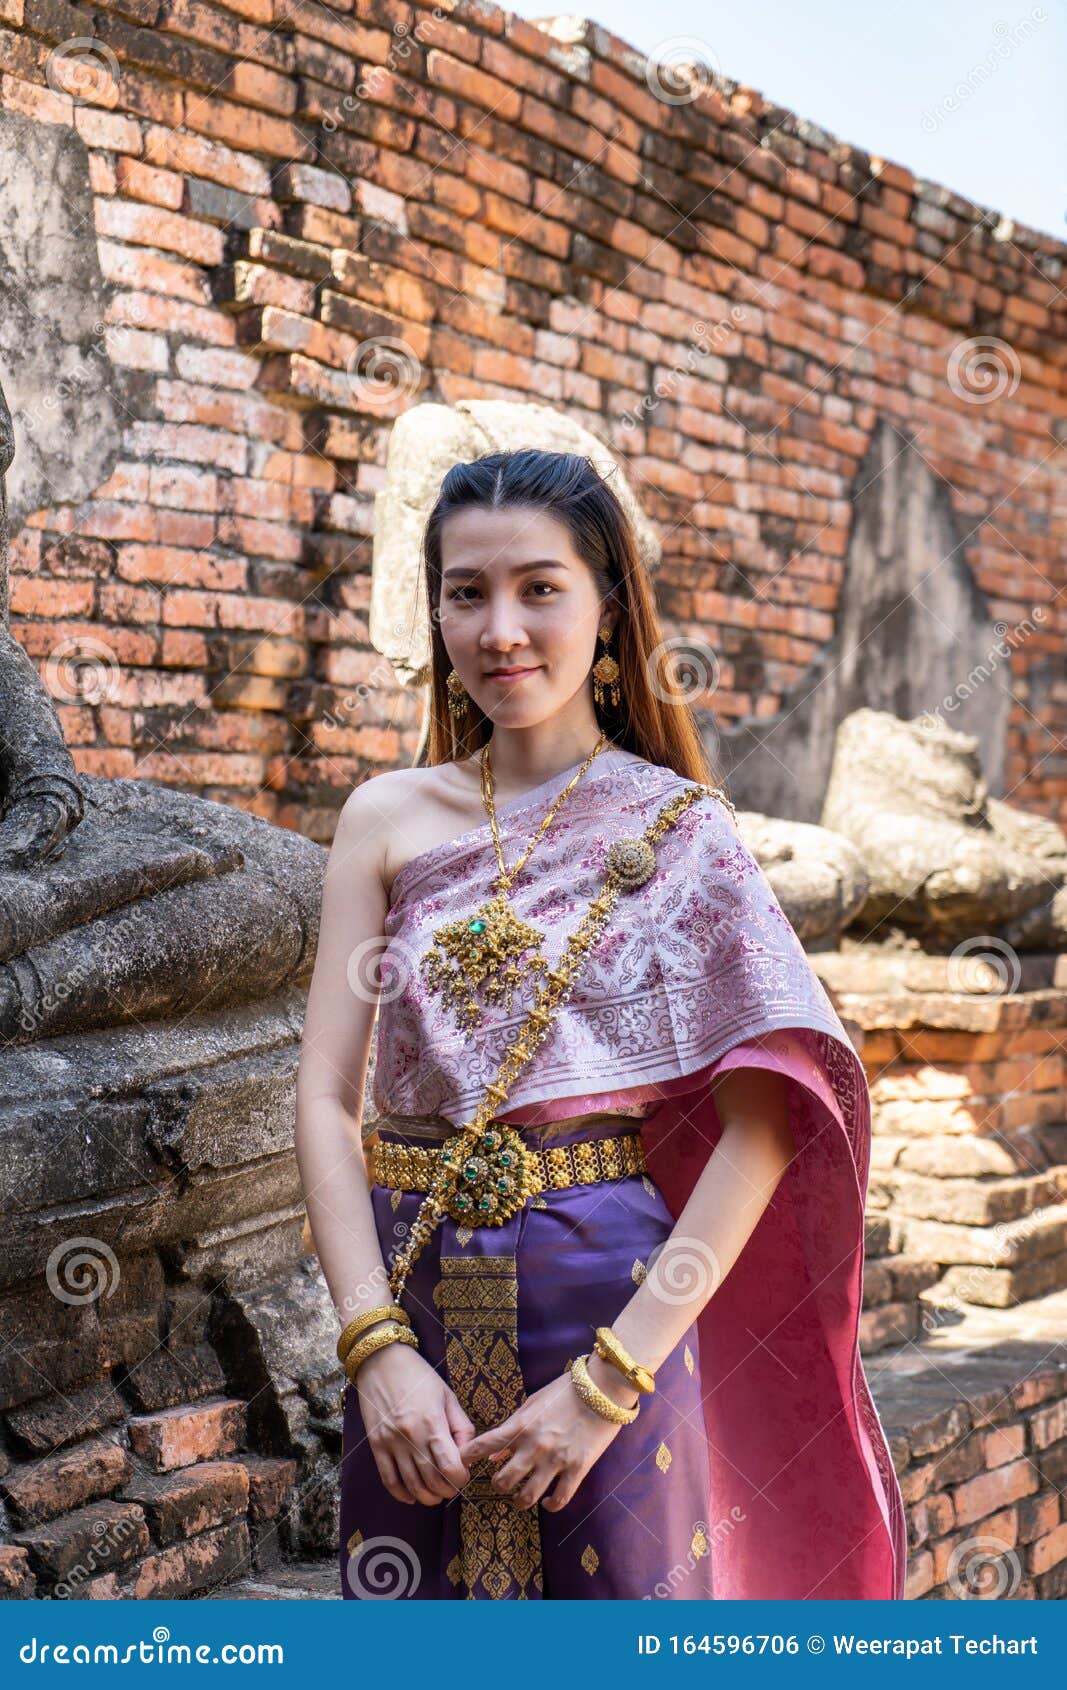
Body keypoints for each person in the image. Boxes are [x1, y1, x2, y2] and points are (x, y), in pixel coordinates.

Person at [295, 448, 907, 1602]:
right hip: (410, 1306)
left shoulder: (678, 831)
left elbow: (764, 1126)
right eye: (465, 593)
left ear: (608, 607)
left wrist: (604, 1387)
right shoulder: (384, 816)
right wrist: (373, 1348)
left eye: (539, 587)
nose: (499, 629)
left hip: (613, 1314)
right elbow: (327, 1097)